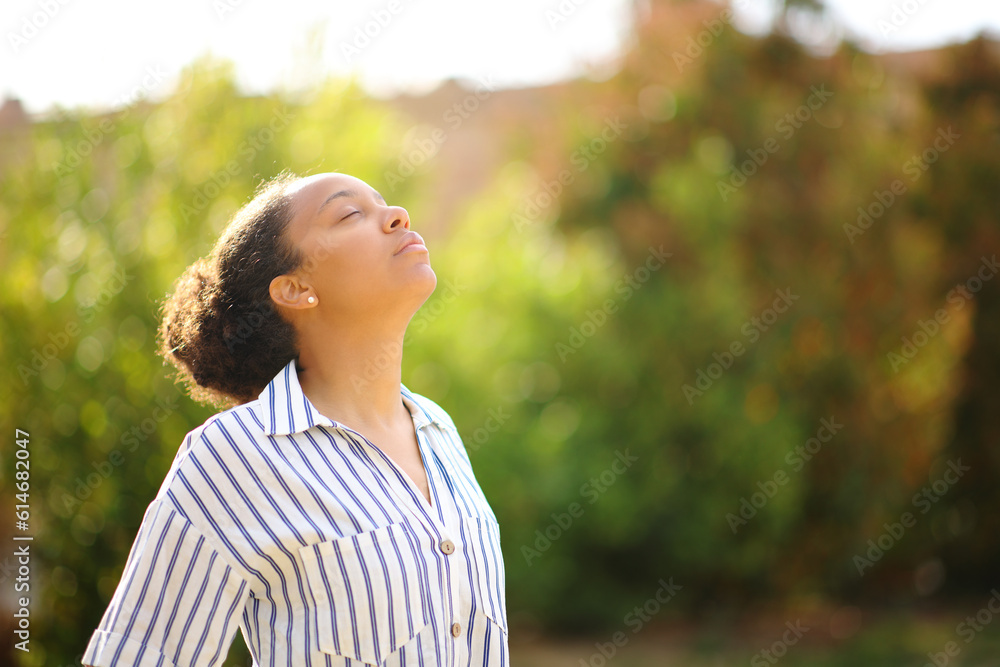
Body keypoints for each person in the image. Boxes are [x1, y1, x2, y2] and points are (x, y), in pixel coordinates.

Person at [81, 171, 509, 666]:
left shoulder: (438, 430)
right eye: (351, 214)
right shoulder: (235, 455)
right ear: (295, 288)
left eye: (386, 204)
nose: (397, 217)